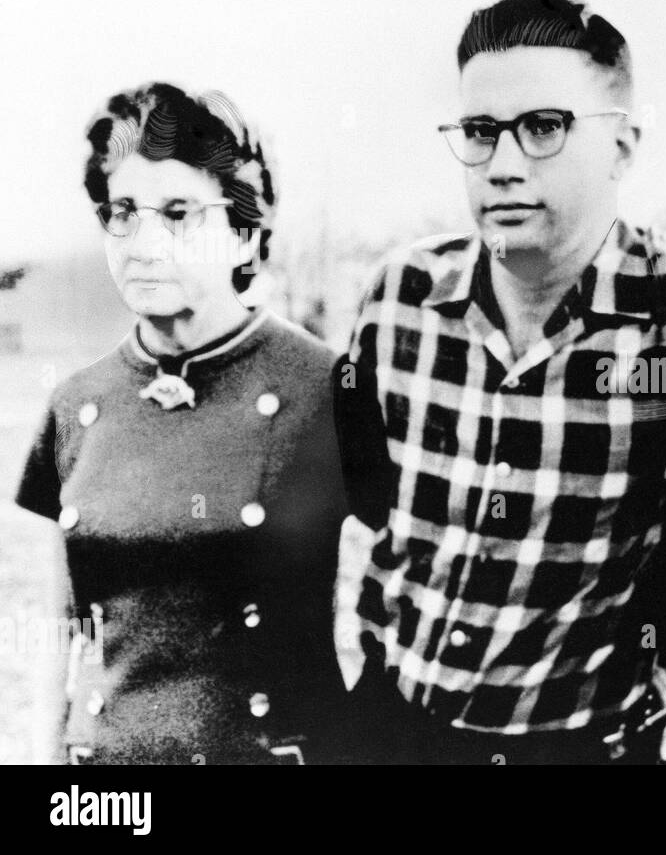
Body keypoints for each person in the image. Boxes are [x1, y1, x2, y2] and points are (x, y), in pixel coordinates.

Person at [14, 83, 387, 764]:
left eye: (179, 212)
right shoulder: (76, 404)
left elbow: (414, 579)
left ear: (243, 231)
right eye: (122, 212)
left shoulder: (328, 386)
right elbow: (60, 631)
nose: (145, 240)